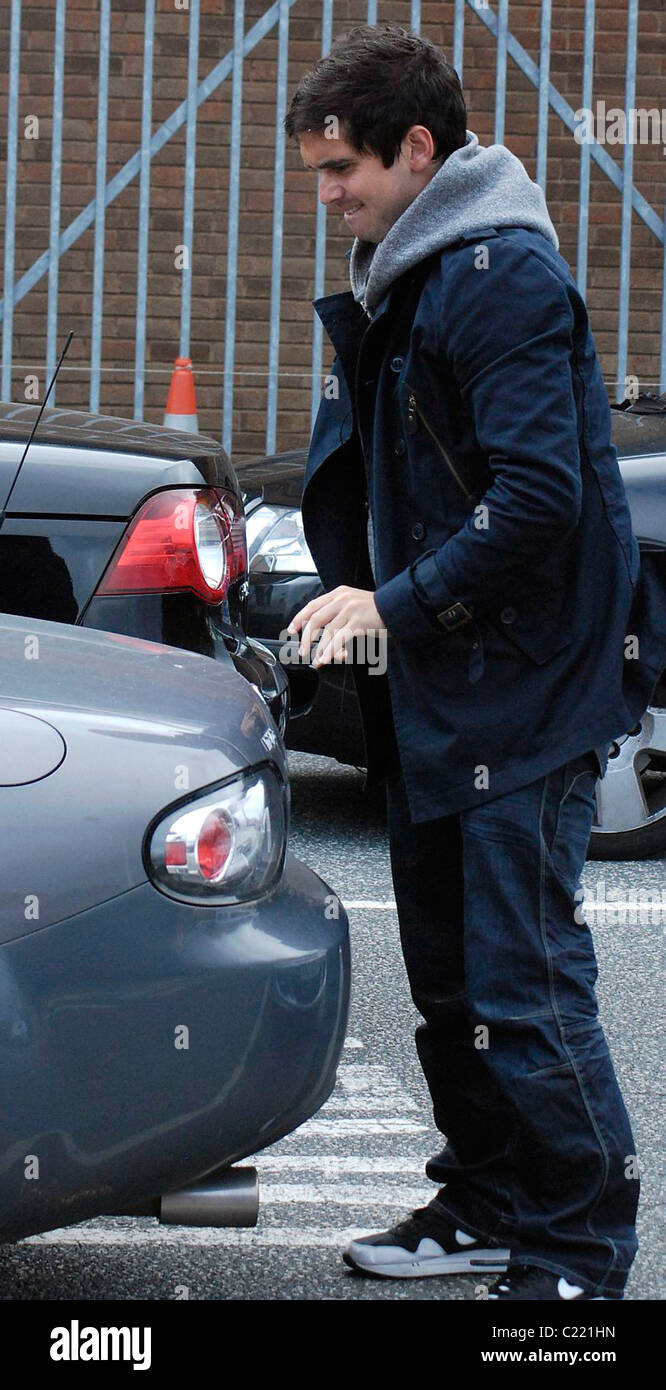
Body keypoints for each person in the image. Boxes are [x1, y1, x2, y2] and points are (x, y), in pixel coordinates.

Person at [283, 23, 666, 1301]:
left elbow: (539, 500)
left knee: (527, 982)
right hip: (450, 684)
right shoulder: (407, 271)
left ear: (419, 150)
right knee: (454, 987)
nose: (326, 193)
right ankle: (490, 1203)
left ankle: (575, 1259)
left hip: (527, 689)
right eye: (317, 170)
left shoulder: (494, 275)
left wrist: (391, 601)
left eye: (343, 168)